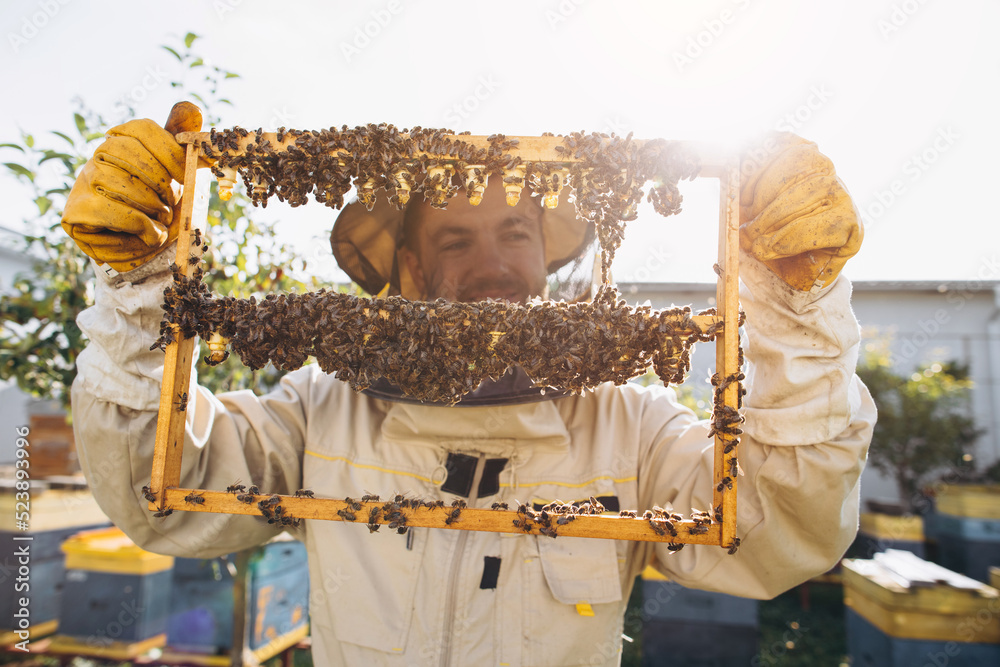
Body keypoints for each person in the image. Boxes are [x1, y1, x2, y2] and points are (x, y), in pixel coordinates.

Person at [61, 106, 874, 666]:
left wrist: (795, 306)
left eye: (515, 232)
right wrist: (138, 286)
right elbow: (161, 489)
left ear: (546, 255)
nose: (493, 264)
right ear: (408, 269)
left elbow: (778, 531)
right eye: (455, 238)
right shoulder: (322, 408)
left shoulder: (626, 421)